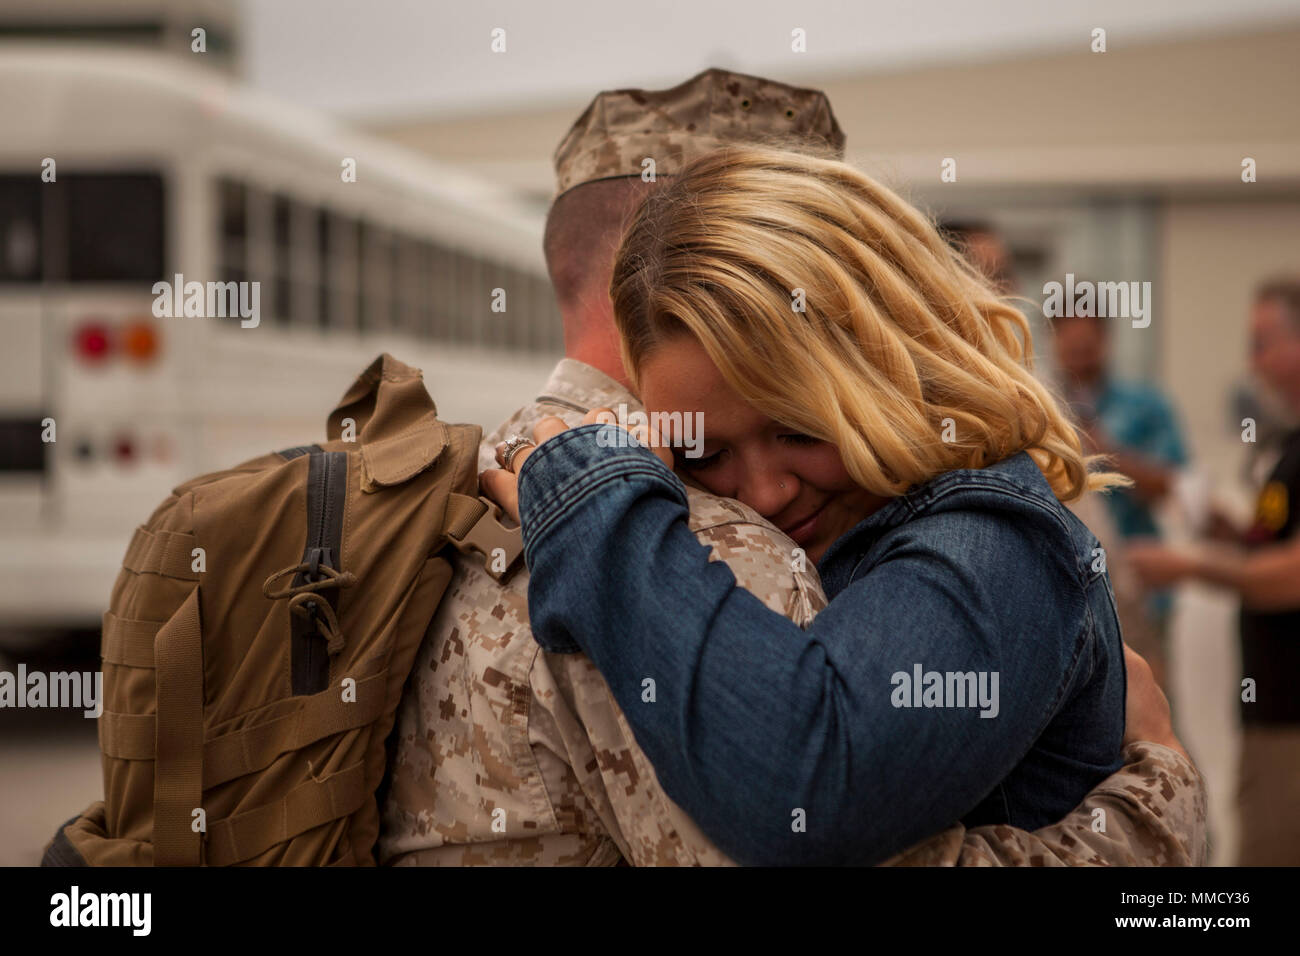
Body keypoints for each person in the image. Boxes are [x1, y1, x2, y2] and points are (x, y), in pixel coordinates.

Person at [381, 69, 1206, 867]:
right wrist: (1151, 810)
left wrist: (597, 504)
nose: (766, 491)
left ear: (887, 355)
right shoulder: (718, 533)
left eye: (802, 429)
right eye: (704, 450)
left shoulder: (993, 538)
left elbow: (807, 774)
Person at [1128, 276, 1300, 866]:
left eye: (1263, 342)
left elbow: (1293, 575)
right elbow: (1269, 546)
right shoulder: (1287, 447)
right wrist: (1224, 532)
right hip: (1269, 711)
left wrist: (1188, 566)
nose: (1252, 363)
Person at [1050, 292, 1190, 689]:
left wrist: (1104, 452)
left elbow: (1174, 486)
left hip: (1137, 586)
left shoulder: (1146, 404)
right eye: (1068, 340)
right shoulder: (1038, 404)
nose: (1077, 351)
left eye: (1087, 342)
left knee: (1154, 712)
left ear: (1105, 338)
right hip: (1067, 596)